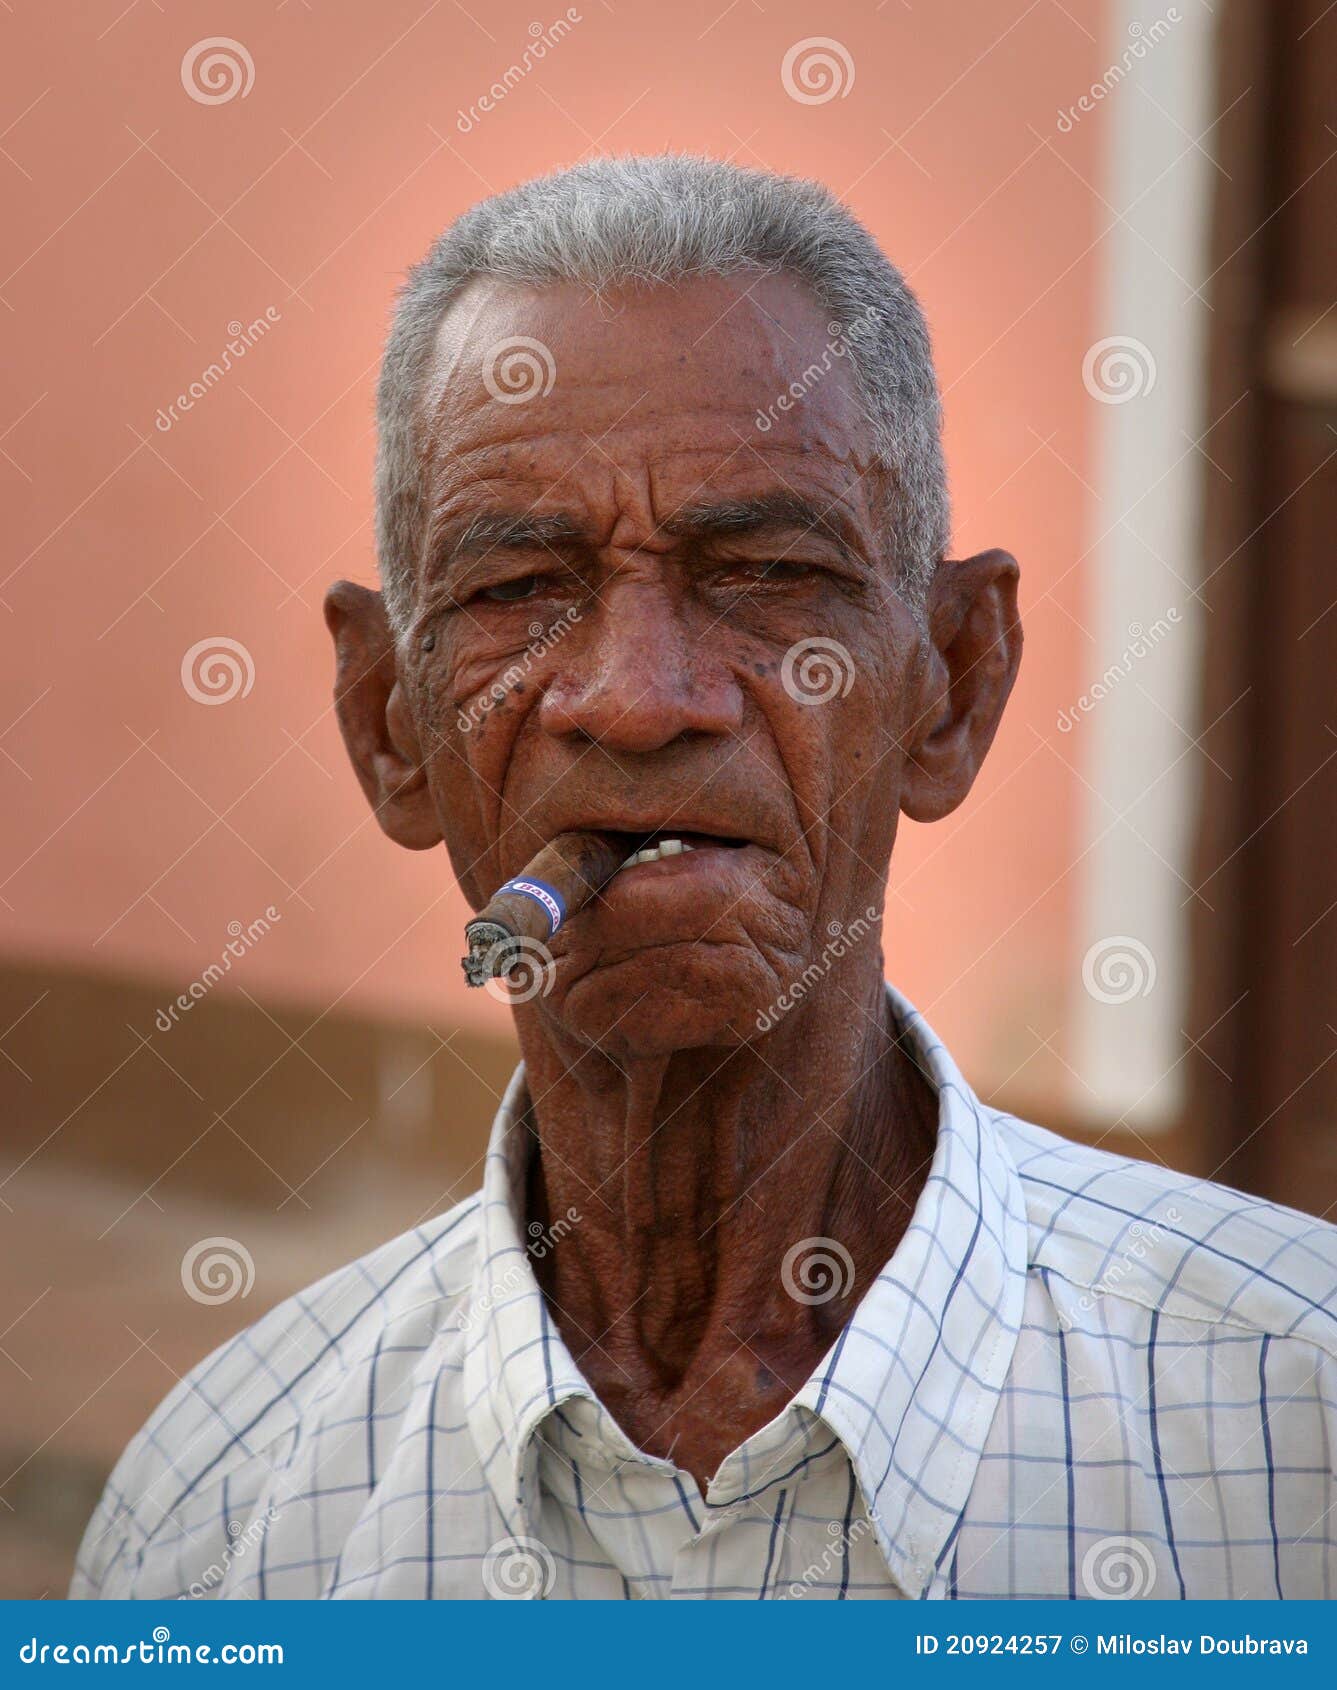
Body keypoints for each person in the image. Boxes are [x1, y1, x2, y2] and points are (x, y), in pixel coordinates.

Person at [73, 155, 1337, 1601]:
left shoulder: (1295, 1431)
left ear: (954, 685)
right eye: (516, 590)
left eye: (766, 571)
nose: (636, 698)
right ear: (389, 729)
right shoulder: (221, 1509)